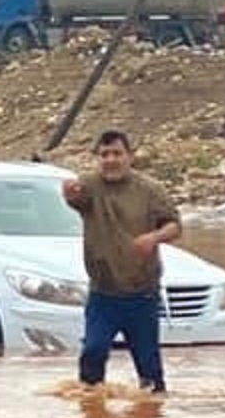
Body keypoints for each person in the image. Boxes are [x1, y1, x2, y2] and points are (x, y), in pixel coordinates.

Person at [62, 130, 182, 394]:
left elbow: (175, 226)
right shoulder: (90, 186)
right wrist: (68, 193)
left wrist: (154, 237)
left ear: (130, 156)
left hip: (142, 295)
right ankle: (92, 414)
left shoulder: (150, 190)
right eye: (104, 154)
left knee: (150, 372)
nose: (110, 160)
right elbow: (74, 198)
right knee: (92, 352)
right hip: (103, 294)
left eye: (117, 153)